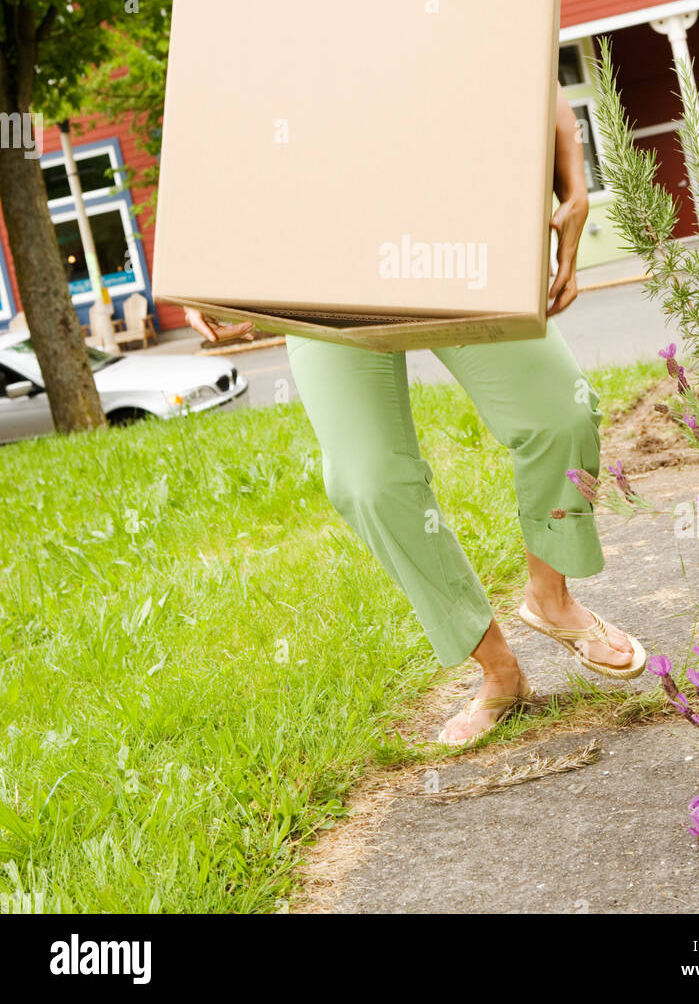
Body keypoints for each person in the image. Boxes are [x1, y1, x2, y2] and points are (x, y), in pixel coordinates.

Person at [187, 87, 645, 746]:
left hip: (448, 235)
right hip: (317, 268)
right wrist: (202, 261)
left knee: (560, 413)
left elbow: (521, 62)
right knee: (366, 483)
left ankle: (552, 597)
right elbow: (220, 132)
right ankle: (497, 669)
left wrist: (573, 183)